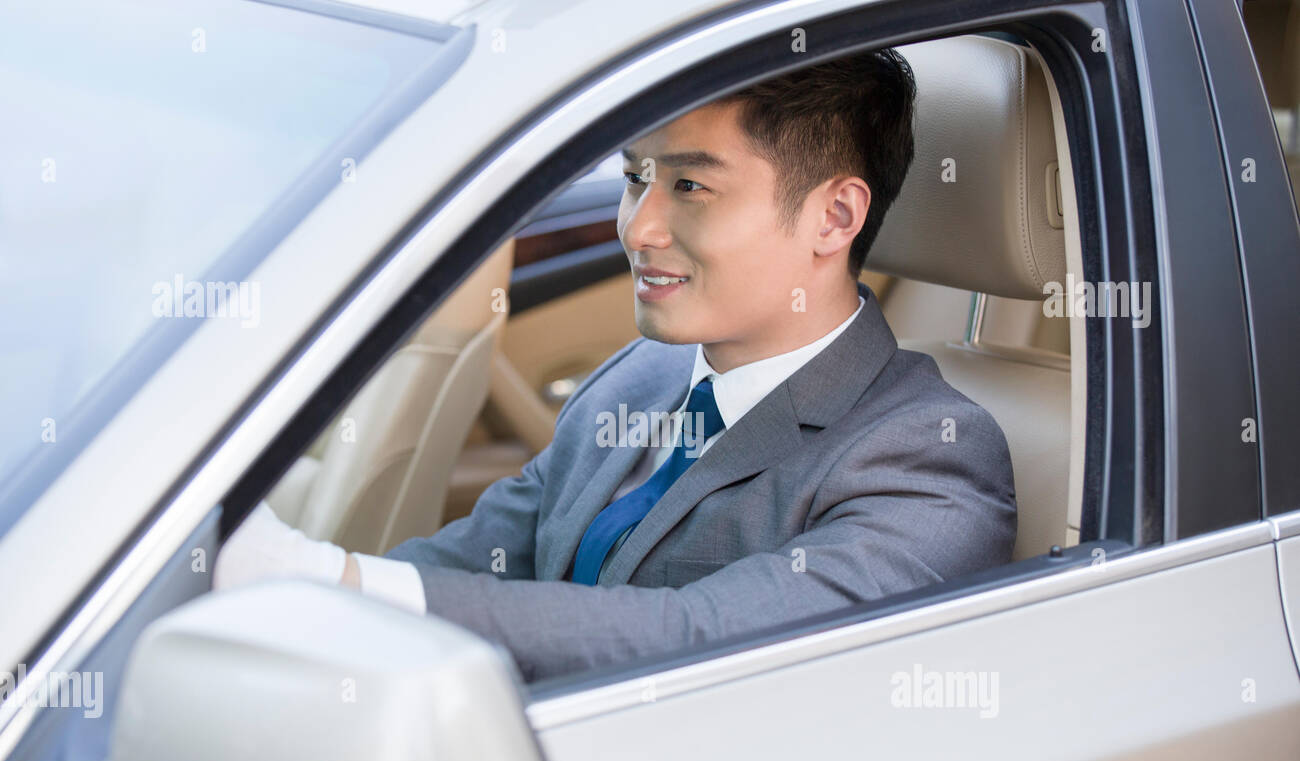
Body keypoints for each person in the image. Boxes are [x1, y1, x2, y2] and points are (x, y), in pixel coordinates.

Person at [214, 49, 1017, 682]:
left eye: (691, 184)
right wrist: (306, 609)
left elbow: (697, 640)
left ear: (833, 216)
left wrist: (327, 579)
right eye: (636, 178)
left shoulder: (928, 457)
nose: (638, 228)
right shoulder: (643, 376)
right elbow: (488, 552)